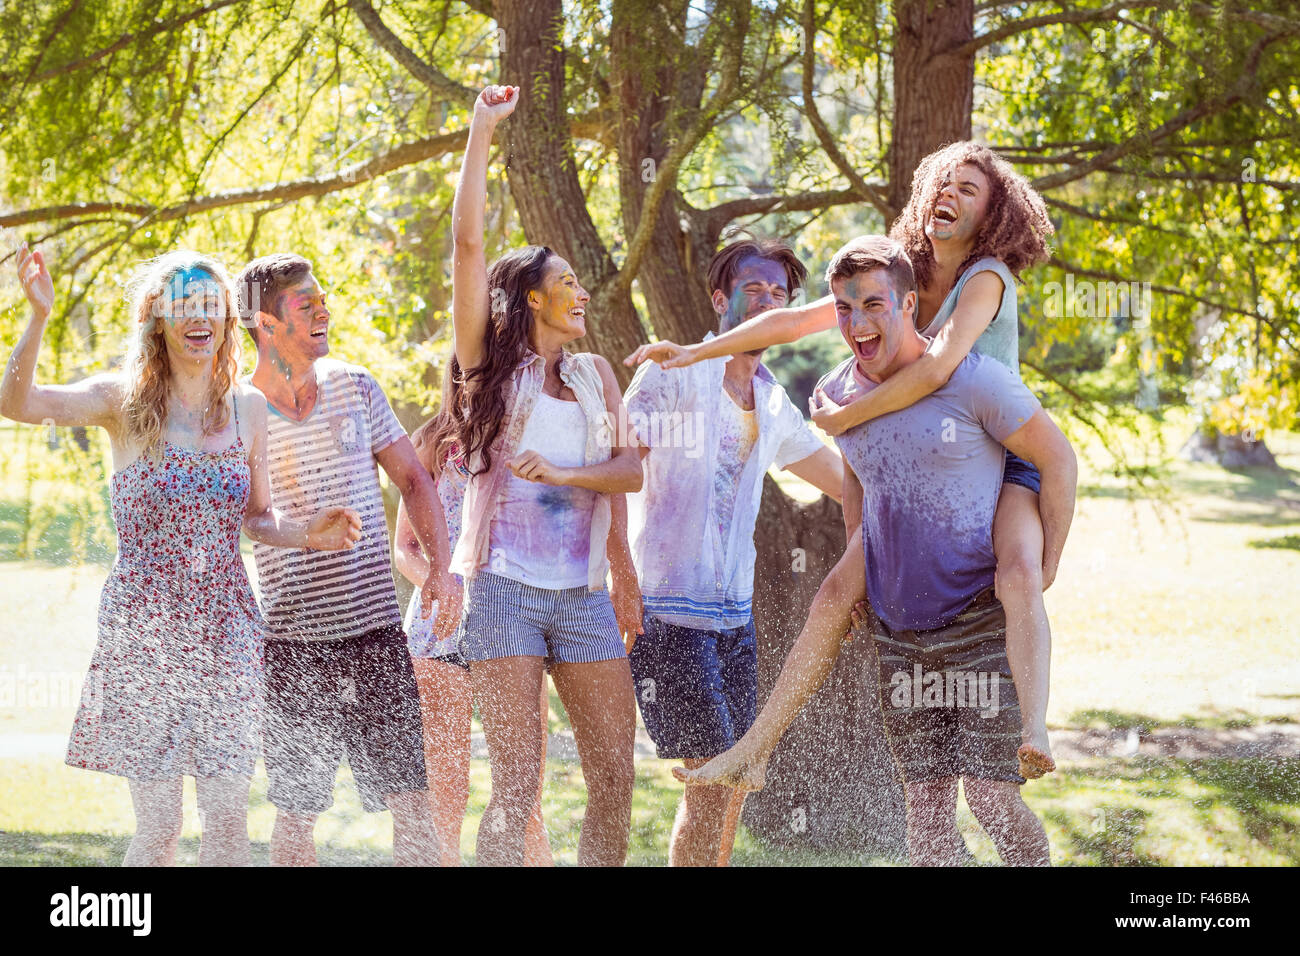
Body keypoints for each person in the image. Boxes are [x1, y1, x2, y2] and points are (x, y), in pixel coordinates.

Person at [626, 142, 1059, 778]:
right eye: (944, 182)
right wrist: (693, 351)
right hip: (921, 477)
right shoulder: (899, 273)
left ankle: (1036, 726)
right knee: (832, 595)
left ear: (994, 211)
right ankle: (750, 753)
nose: (953, 194)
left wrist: (842, 419)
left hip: (1001, 461)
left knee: (1020, 576)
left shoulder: (986, 276)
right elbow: (793, 322)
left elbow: (940, 366)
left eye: (970, 188)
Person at [677, 236, 1077, 866]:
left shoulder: (975, 381)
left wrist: (1045, 559)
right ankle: (754, 751)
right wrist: (864, 561)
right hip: (900, 633)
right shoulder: (839, 397)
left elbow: (1057, 458)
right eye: (842, 308)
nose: (857, 324)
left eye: (872, 305)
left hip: (978, 624)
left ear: (910, 304)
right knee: (926, 823)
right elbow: (858, 482)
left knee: (994, 802)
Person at [1, 246, 361, 866]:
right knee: (161, 825)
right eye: (184, 305)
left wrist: (308, 533)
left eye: (212, 307)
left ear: (227, 322)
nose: (200, 317)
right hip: (145, 630)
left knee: (226, 820)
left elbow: (256, 517)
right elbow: (18, 404)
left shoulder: (248, 408)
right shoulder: (121, 401)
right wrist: (38, 317)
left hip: (226, 628)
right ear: (157, 319)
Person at [450, 84, 643, 866]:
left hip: (584, 597)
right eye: (566, 282)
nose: (581, 292)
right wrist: (481, 130)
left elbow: (630, 471)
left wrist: (567, 470)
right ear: (531, 296)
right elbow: (466, 249)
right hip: (502, 591)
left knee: (616, 777)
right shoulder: (487, 373)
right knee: (517, 788)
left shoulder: (597, 373)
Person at [620, 237, 843, 866]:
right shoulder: (670, 372)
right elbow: (613, 471)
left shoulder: (773, 400)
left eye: (779, 295)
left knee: (736, 783)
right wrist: (618, 578)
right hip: (666, 609)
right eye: (754, 289)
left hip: (733, 616)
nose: (766, 302)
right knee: (713, 783)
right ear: (720, 298)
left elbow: (846, 481)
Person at [238, 252, 460, 866]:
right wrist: (304, 533)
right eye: (305, 304)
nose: (323, 310)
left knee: (411, 799)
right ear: (265, 322)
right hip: (292, 640)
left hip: (376, 633)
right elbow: (249, 520)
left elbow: (415, 479)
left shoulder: (357, 385)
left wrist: (440, 571)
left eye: (322, 299)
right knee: (297, 809)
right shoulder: (238, 411)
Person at [394, 359, 554, 866]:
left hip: (515, 627)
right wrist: (445, 588)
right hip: (438, 634)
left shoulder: (537, 435)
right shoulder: (432, 441)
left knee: (524, 798)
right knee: (444, 792)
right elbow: (405, 549)